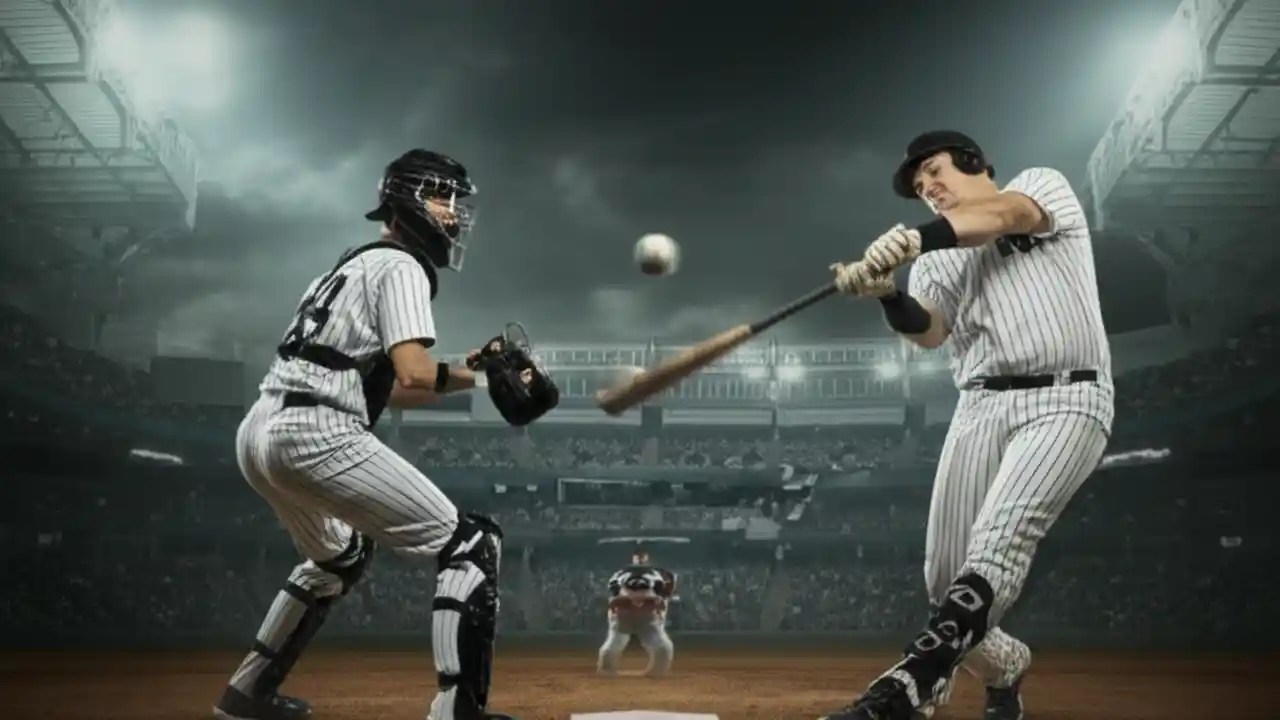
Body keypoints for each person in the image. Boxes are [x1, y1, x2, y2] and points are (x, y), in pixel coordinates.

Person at [213, 149, 555, 720]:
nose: (454, 215)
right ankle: (456, 711)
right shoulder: (403, 266)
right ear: (413, 198)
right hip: (316, 430)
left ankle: (245, 696)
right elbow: (414, 373)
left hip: (261, 429)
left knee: (339, 556)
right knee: (470, 543)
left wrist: (476, 375)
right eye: (447, 199)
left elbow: (389, 386)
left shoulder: (346, 267)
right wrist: (485, 375)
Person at [821, 131, 1113, 720]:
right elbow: (929, 331)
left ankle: (909, 688)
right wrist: (886, 293)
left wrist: (911, 239)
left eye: (933, 171)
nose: (927, 188)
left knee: (998, 542)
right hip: (979, 408)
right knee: (944, 583)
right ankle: (1006, 666)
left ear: (975, 161)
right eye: (919, 187)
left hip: (1067, 397)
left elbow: (1005, 216)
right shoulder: (935, 258)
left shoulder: (1036, 184)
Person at [597, 546, 677, 677]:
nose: (640, 560)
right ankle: (606, 669)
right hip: (630, 611)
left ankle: (656, 672)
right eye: (638, 557)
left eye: (641, 557)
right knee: (614, 644)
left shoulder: (654, 574)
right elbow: (613, 592)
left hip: (642, 612)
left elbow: (665, 594)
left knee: (662, 648)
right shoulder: (626, 573)